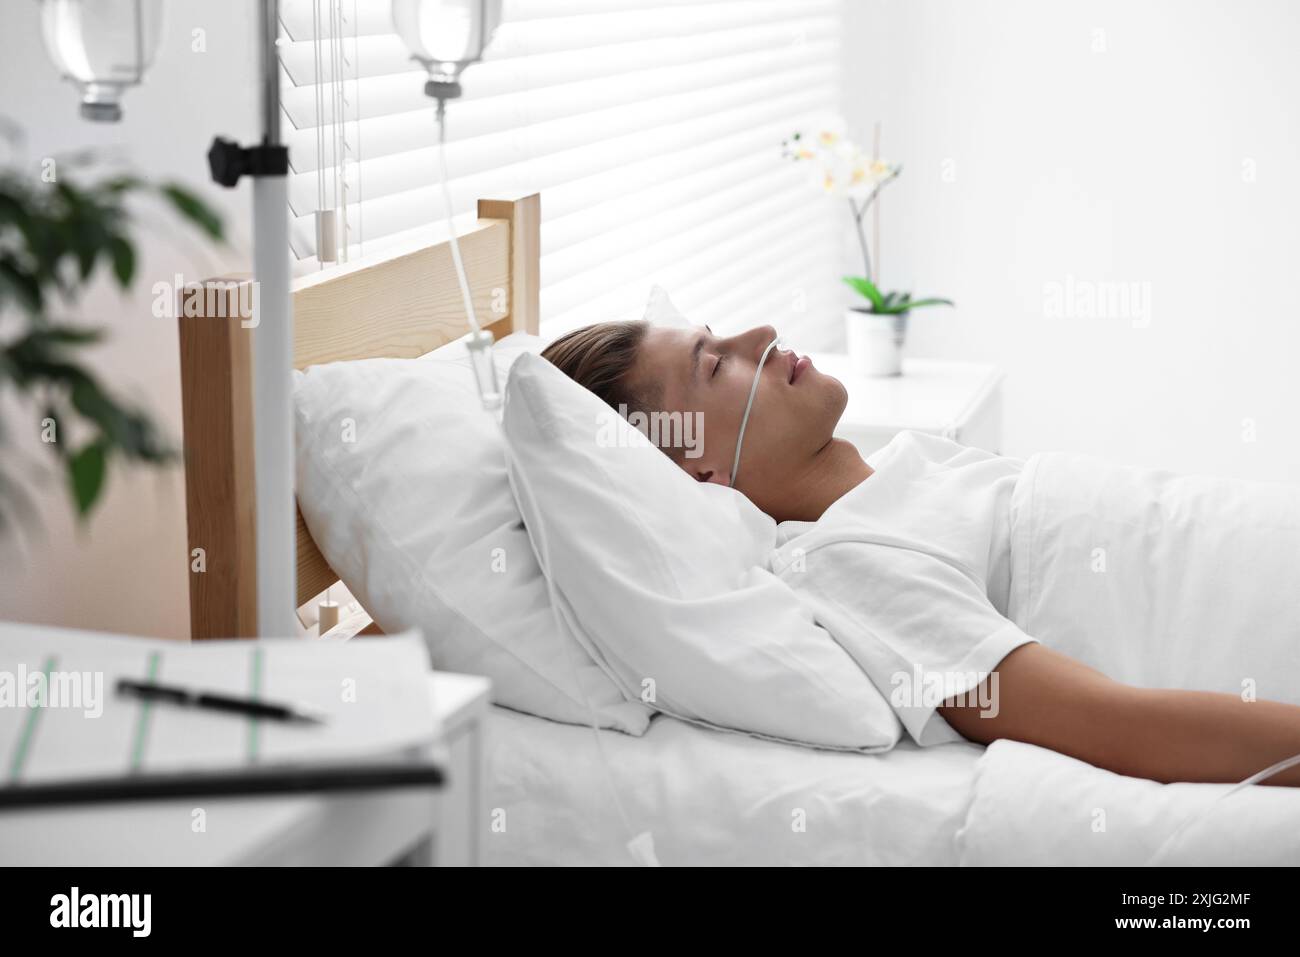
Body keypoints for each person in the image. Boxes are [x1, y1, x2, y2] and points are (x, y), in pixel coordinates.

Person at [543, 319, 1300, 787]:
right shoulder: (847, 564)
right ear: (696, 470)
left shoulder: (903, 472)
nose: (761, 335)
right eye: (716, 364)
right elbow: (1112, 724)